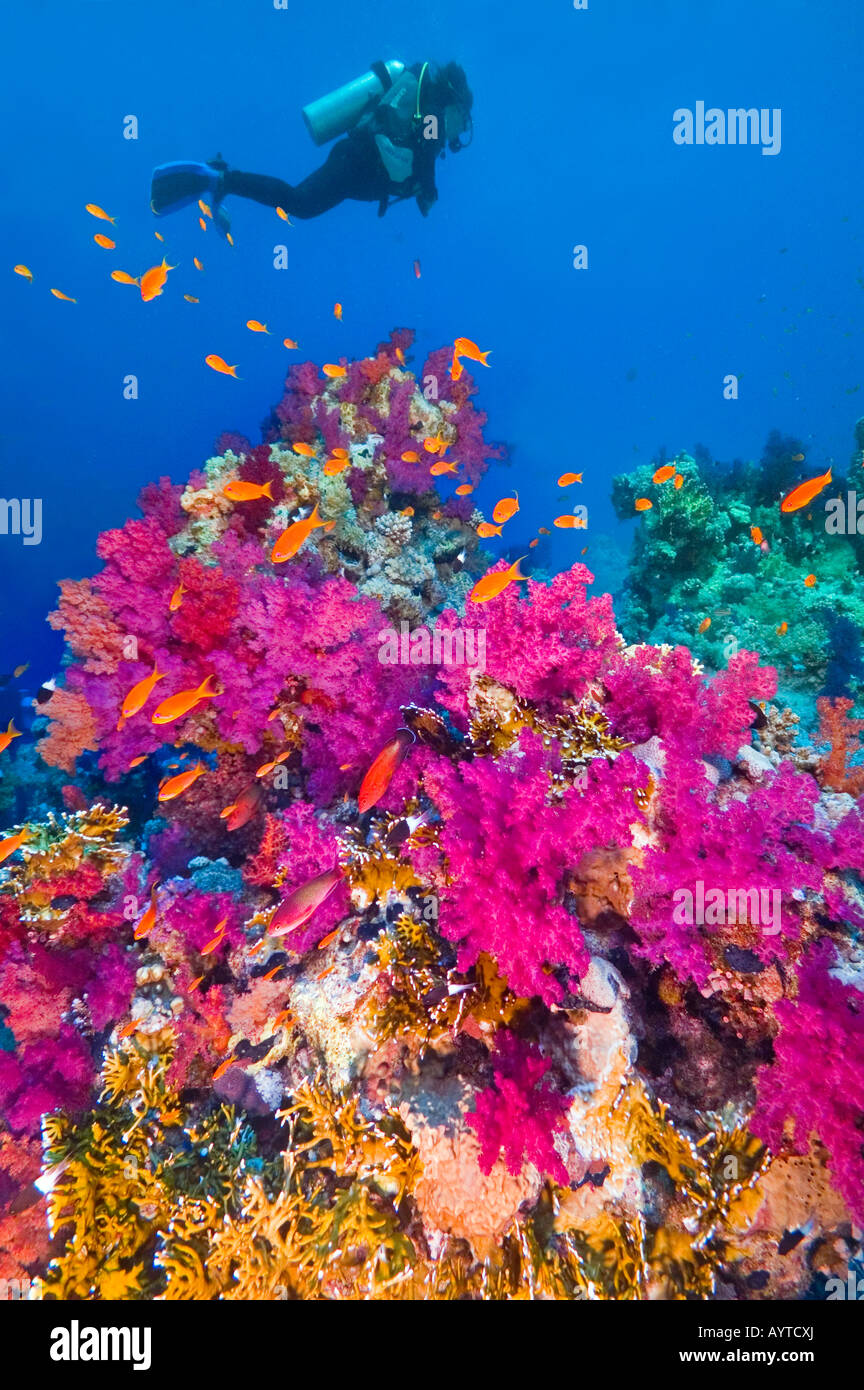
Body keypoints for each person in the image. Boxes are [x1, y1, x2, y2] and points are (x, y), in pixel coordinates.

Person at [150, 60, 472, 234]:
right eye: (463, 118)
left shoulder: (420, 101)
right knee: (300, 202)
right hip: (356, 164)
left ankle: (223, 178)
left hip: (355, 162)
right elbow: (429, 145)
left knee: (300, 204)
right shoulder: (433, 110)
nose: (458, 129)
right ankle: (222, 178)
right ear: (455, 103)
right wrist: (429, 190)